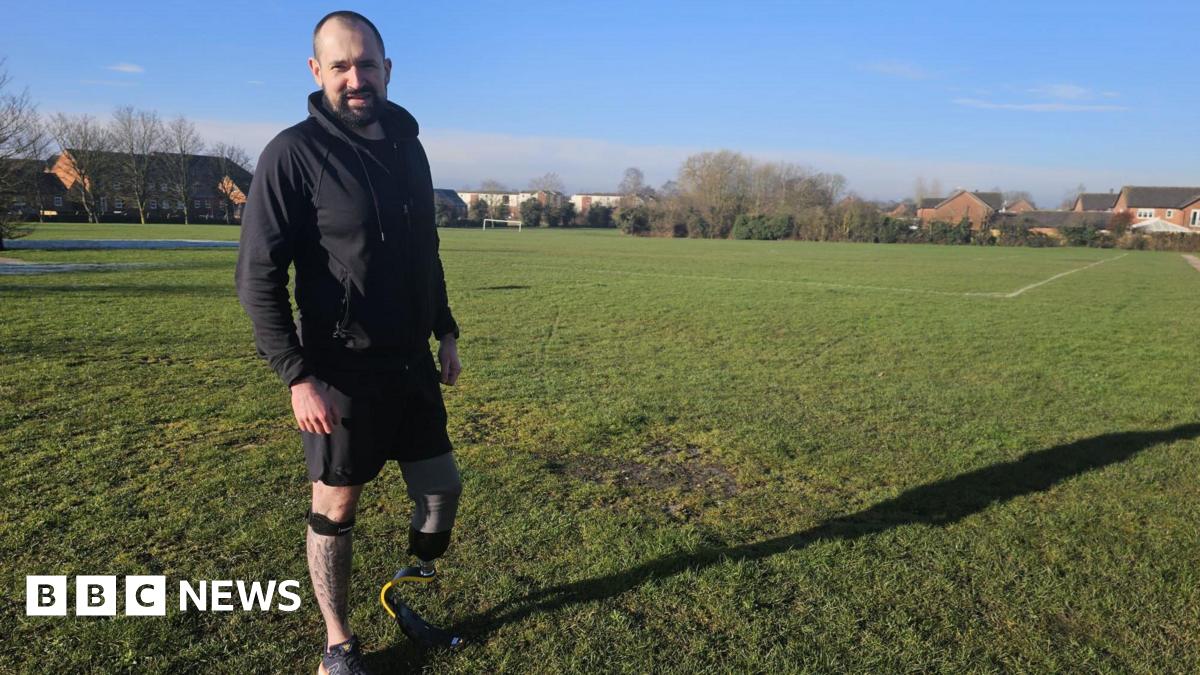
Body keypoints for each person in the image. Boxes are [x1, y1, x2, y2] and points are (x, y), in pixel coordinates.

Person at [235, 10, 462, 675]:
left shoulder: (409, 148)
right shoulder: (293, 154)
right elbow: (257, 276)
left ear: (387, 68)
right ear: (317, 72)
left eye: (366, 64)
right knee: (337, 504)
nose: (355, 78)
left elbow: (428, 252)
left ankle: (402, 591)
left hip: (411, 363)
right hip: (340, 371)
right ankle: (338, 640)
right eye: (340, 66)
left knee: (441, 490)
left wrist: (445, 328)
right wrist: (296, 375)